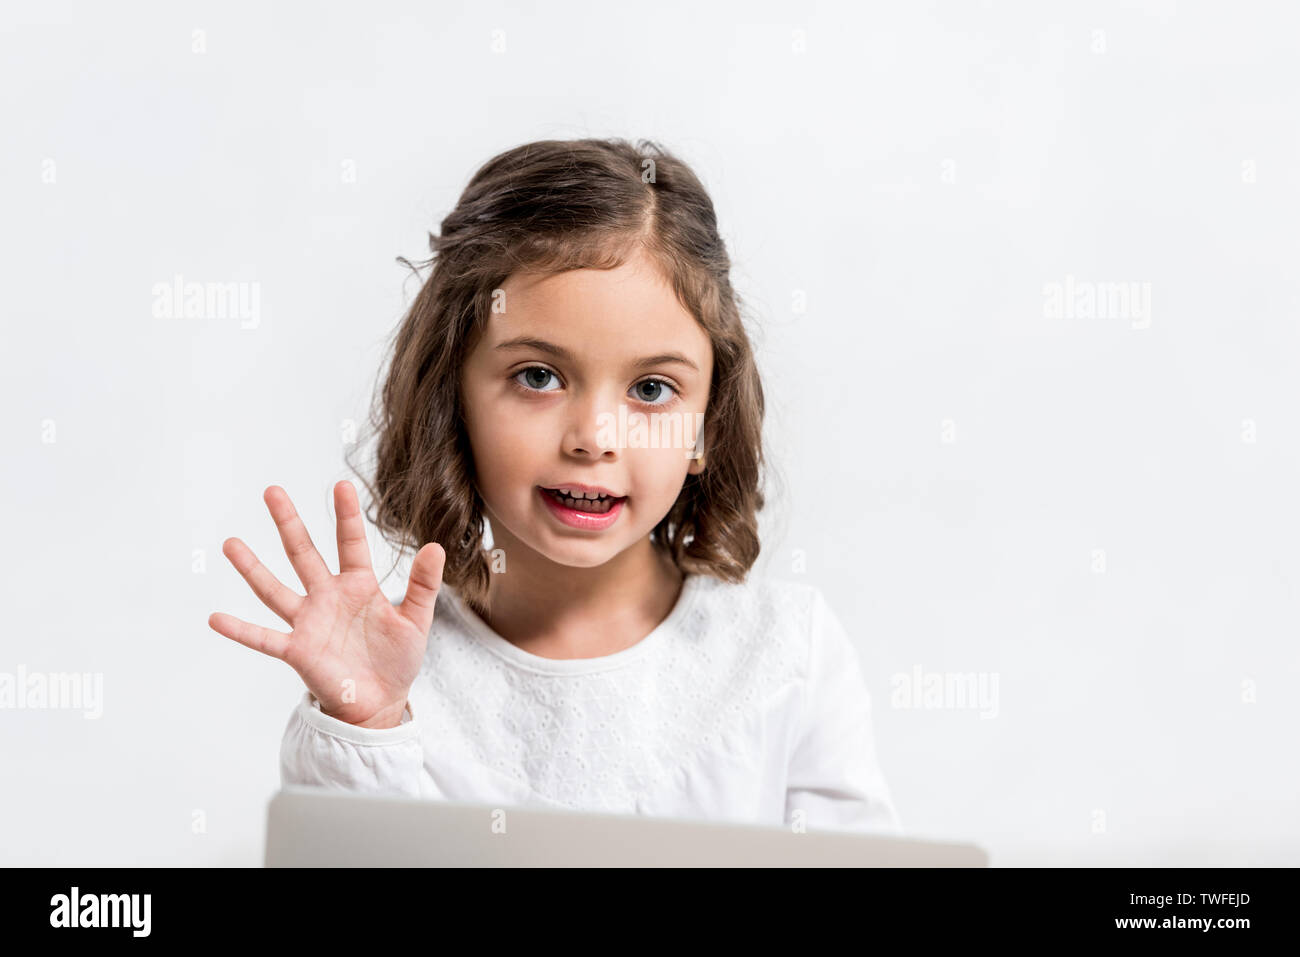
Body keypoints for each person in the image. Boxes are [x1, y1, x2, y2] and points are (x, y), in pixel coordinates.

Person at [208, 137, 902, 836]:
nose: (593, 436)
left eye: (652, 388)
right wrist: (367, 724)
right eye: (538, 376)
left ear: (706, 426)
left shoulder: (786, 655)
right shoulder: (396, 670)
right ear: (454, 401)